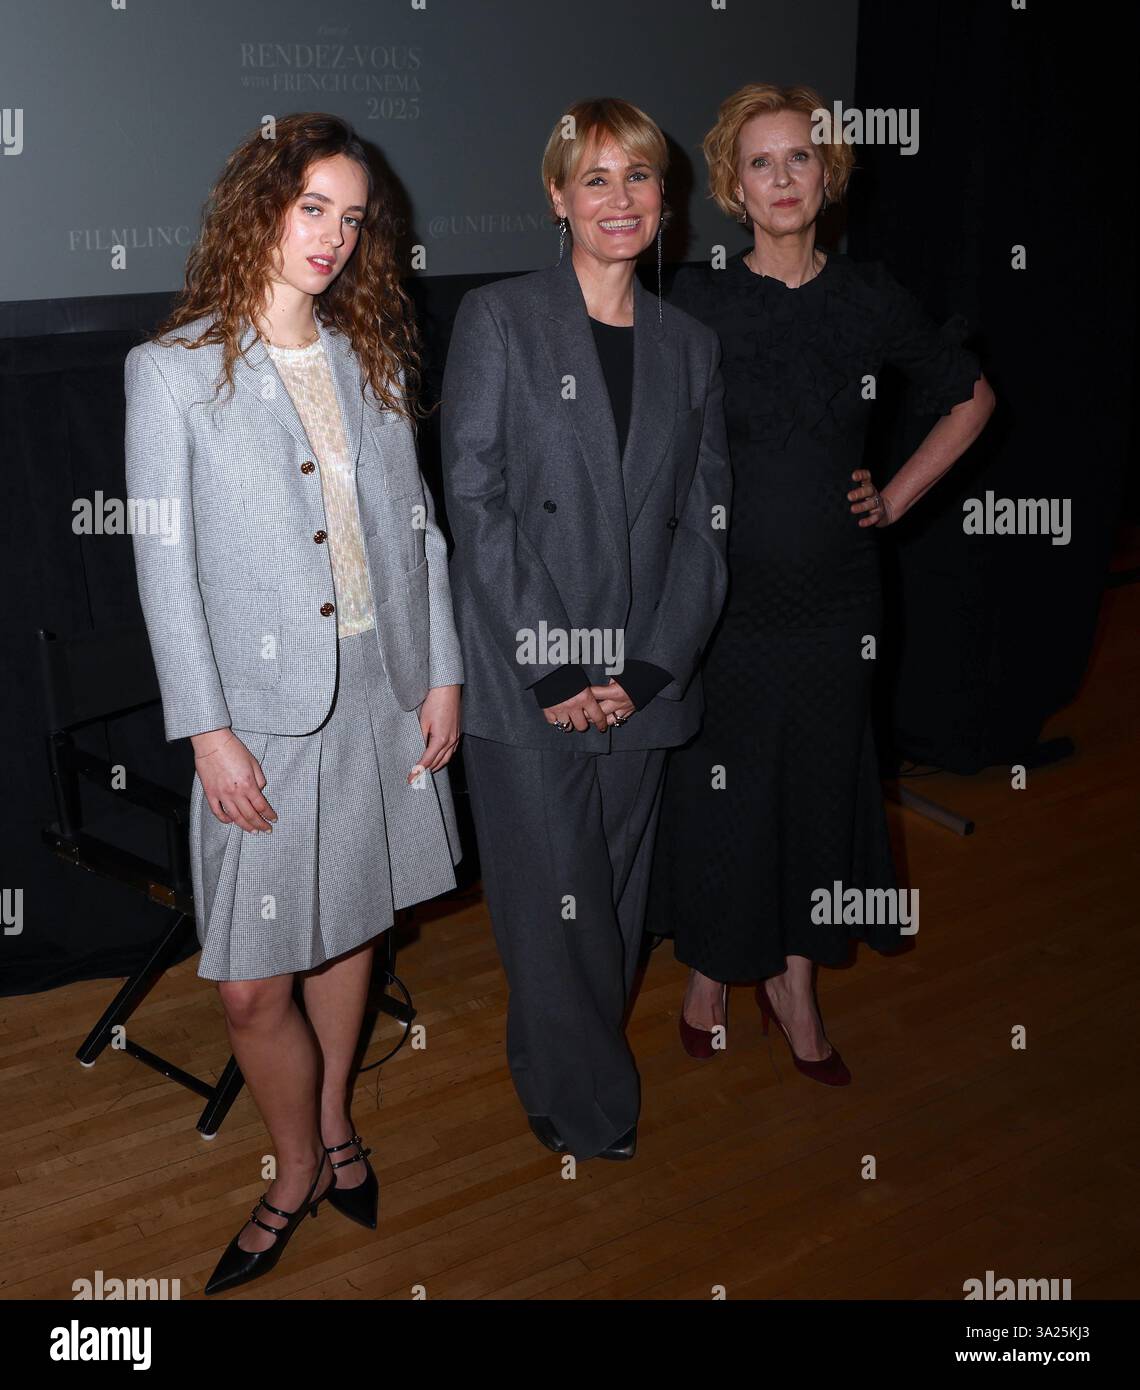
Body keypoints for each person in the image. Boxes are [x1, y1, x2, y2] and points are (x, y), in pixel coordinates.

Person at [124, 113, 463, 1293]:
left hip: (382, 691)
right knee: (248, 981)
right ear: (259, 207)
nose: (332, 236)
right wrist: (207, 730)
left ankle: (331, 1134)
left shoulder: (372, 354)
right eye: (312, 206)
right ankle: (289, 1168)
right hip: (259, 716)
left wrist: (446, 672)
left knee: (356, 923)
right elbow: (164, 570)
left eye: (352, 217)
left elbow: (420, 533)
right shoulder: (171, 371)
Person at [650, 83, 995, 1079]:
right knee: (724, 788)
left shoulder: (869, 299)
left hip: (840, 600)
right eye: (761, 162)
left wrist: (896, 494)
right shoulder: (700, 301)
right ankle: (712, 965)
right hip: (727, 601)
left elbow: (970, 398)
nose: (783, 177)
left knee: (817, 787)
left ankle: (794, 982)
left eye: (800, 157)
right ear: (733, 186)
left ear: (827, 173)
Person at [441, 98, 730, 1160]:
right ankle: (592, 1104)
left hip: (643, 678)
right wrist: (557, 662)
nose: (621, 199)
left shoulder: (692, 344)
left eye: (641, 177)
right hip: (533, 677)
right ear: (557, 196)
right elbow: (476, 502)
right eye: (596, 178)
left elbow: (707, 519)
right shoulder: (501, 320)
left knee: (606, 902)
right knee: (555, 906)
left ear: (667, 197)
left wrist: (652, 665)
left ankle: (558, 1061)